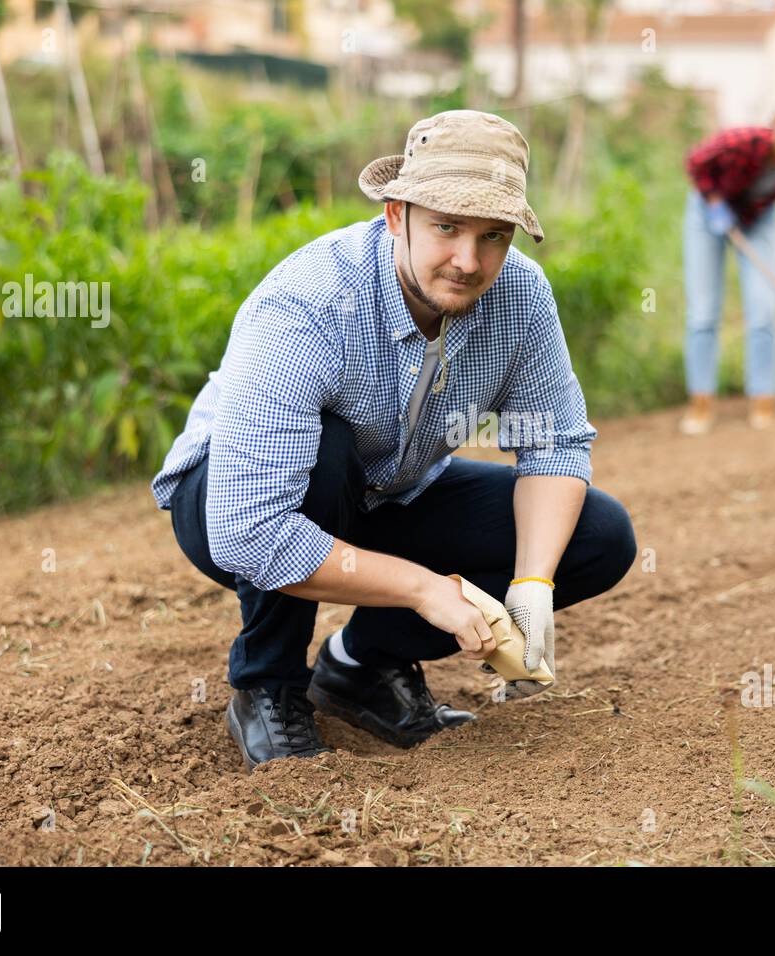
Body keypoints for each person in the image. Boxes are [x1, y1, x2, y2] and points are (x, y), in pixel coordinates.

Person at [150, 110, 637, 769]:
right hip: (234, 500)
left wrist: (532, 582)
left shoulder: (520, 297)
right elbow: (251, 529)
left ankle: (360, 664)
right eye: (446, 227)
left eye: (493, 236)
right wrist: (422, 588)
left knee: (598, 536)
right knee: (324, 453)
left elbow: (552, 446)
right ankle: (268, 686)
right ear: (396, 215)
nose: (468, 261)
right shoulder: (310, 302)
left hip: (385, 497)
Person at [678, 89, 775, 434]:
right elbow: (695, 162)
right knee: (703, 311)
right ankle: (701, 403)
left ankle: (763, 401)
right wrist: (714, 202)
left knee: (764, 310)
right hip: (708, 214)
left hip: (759, 219)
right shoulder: (743, 141)